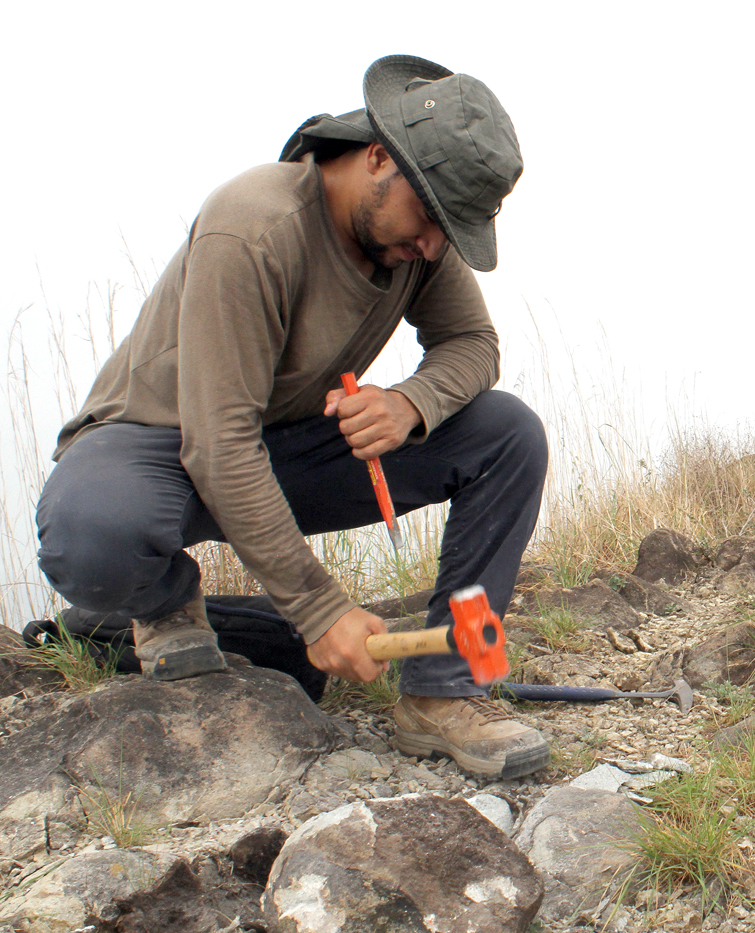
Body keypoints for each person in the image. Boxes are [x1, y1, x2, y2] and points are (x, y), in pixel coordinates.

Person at [34, 56, 554, 780]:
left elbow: (473, 345)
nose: (435, 245)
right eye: (433, 218)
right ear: (378, 157)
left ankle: (442, 691)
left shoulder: (418, 241)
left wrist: (410, 403)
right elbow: (218, 444)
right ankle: (164, 606)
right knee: (90, 529)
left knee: (507, 434)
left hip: (285, 453)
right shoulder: (253, 226)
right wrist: (319, 610)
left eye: (453, 229)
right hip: (164, 450)